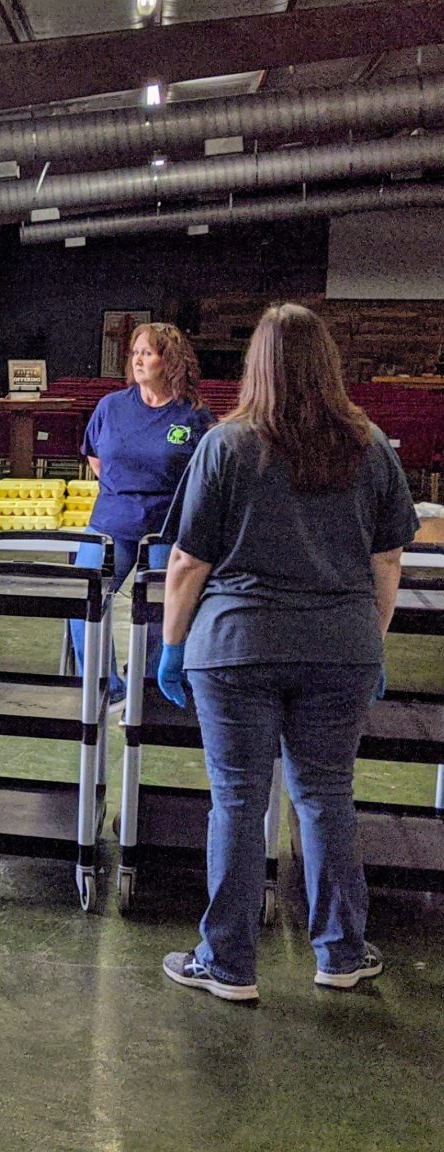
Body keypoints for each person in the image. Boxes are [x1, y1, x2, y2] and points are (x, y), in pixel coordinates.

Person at [157, 303, 416, 1002]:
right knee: (327, 796)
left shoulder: (228, 444)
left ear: (256, 365)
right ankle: (340, 952)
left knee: (239, 802)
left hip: (237, 645)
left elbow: (186, 561)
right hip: (339, 647)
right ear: (328, 364)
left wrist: (172, 646)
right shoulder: (372, 446)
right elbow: (388, 559)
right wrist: (371, 638)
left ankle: (229, 964)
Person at [69, 322, 216, 702]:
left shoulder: (193, 415)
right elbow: (95, 457)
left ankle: (150, 684)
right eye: (135, 353)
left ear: (170, 361)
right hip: (113, 521)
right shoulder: (111, 406)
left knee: (158, 608)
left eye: (147, 353)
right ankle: (105, 685)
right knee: (83, 594)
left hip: (168, 527)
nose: (137, 360)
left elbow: (206, 473)